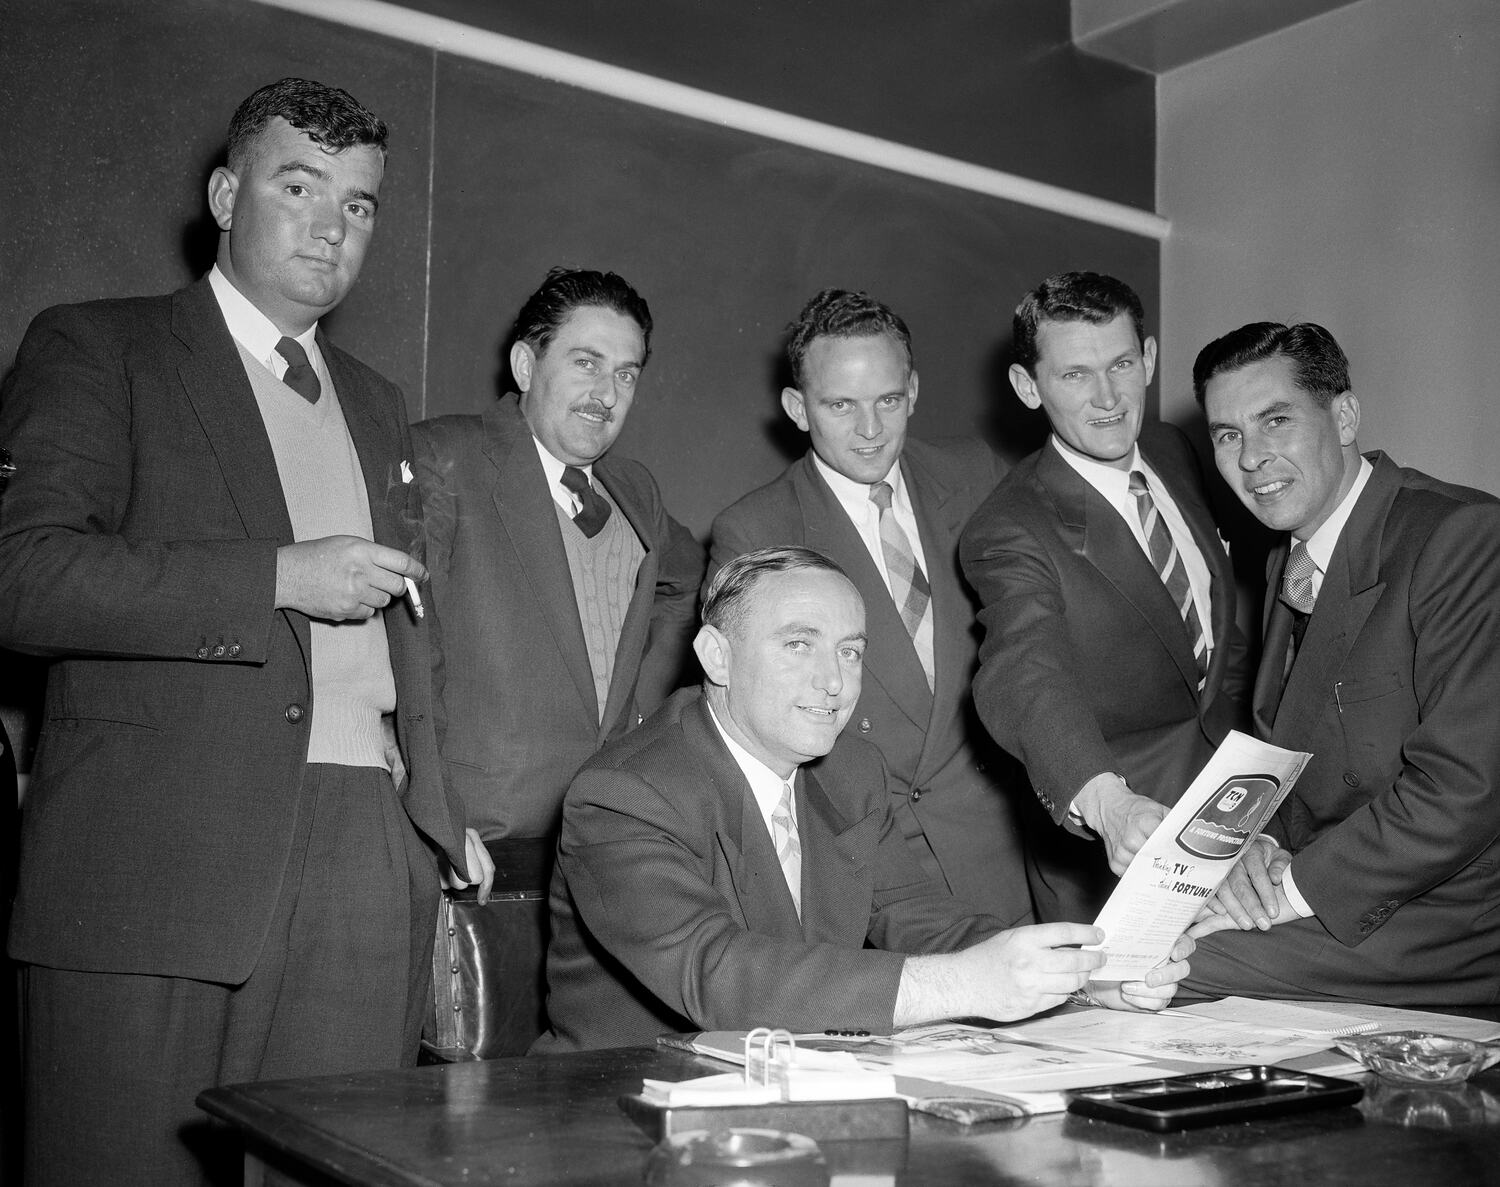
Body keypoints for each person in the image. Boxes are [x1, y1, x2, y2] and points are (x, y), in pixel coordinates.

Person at [0, 78, 491, 1186]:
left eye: (359, 204)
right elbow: (20, 577)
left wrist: (434, 812)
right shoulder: (96, 348)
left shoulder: (374, 398)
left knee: (340, 1168)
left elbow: (413, 629)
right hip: (158, 861)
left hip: (367, 853)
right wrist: (277, 574)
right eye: (299, 184)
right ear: (227, 193)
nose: (331, 224)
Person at [536, 547, 1192, 1052]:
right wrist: (970, 984)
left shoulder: (850, 769)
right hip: (625, 1102)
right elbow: (721, 974)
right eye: (799, 644)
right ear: (717, 655)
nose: (833, 681)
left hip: (803, 1088)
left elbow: (921, 918)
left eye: (850, 652)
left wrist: (1085, 975)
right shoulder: (625, 794)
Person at [412, 267, 704, 1048]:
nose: (606, 393)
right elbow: (403, 638)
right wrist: (433, 814)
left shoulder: (632, 490)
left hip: (595, 861)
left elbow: (690, 585)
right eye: (585, 362)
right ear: (523, 366)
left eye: (627, 372)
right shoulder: (447, 456)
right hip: (478, 855)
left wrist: (637, 713)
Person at [1184, 321, 1500, 1004]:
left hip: (1450, 917)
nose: (1252, 459)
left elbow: (1464, 790)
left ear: (1346, 415)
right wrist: (1255, 850)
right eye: (1228, 435)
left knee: (1161, 972)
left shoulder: (1463, 536)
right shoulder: (1287, 558)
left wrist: (1287, 891)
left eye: (1276, 421)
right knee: (1134, 950)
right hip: (1337, 882)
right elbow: (1297, 753)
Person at [708, 290, 1031, 925]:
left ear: (912, 390)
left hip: (1004, 850)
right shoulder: (755, 531)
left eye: (887, 400)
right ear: (798, 409)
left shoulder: (975, 475)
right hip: (867, 866)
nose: (870, 430)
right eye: (840, 406)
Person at [960, 272, 1249, 923]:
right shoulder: (1009, 527)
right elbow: (1026, 671)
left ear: (1147, 356)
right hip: (1118, 845)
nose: (1109, 396)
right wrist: (1106, 800)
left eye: (1121, 363)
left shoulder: (1175, 450)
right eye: (1075, 375)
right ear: (1028, 387)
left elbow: (1214, 625)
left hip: (1235, 814)